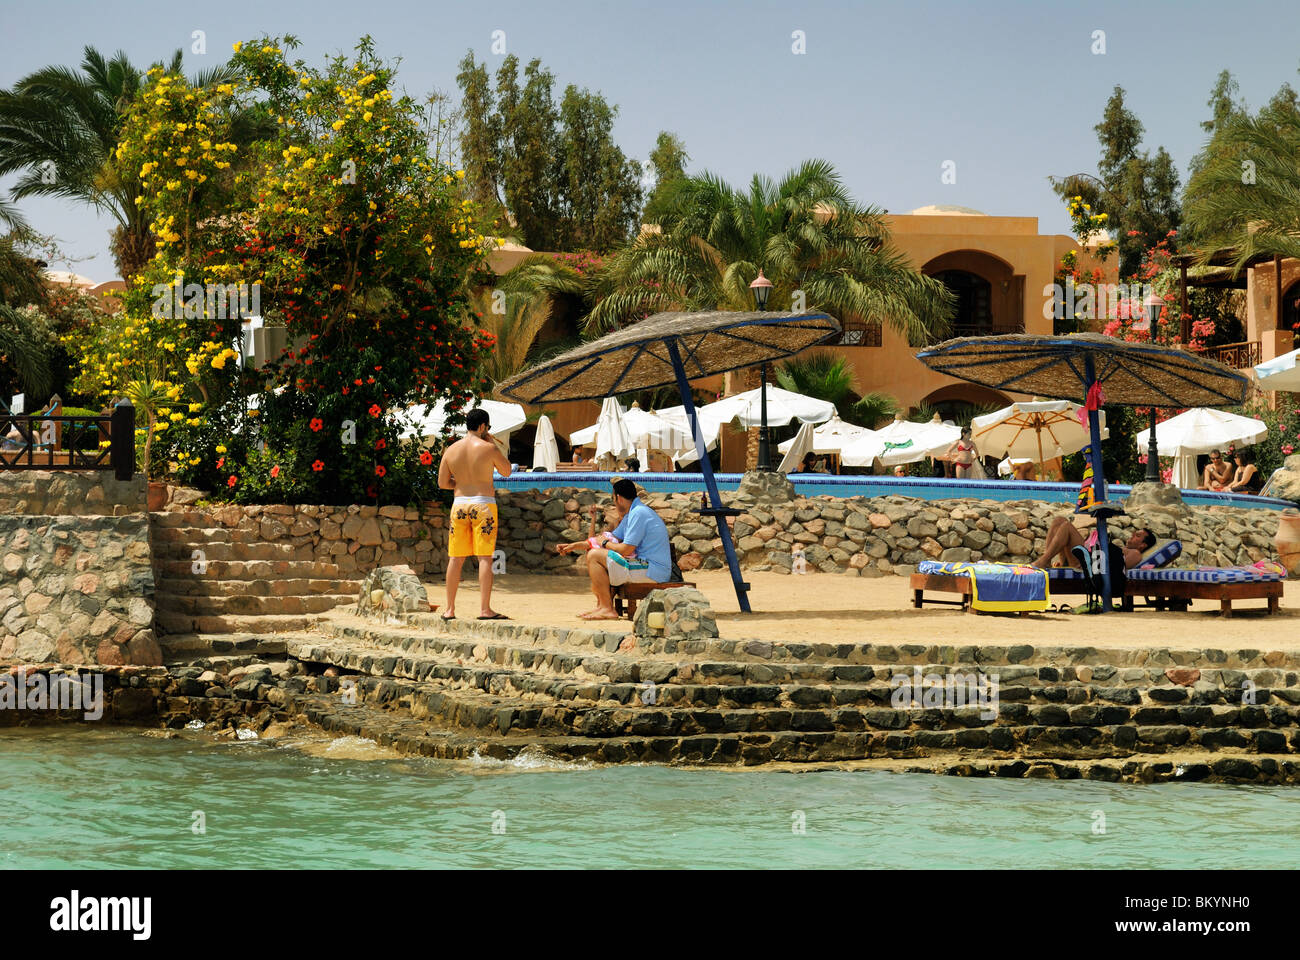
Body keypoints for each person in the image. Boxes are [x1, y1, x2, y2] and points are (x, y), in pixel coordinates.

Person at [437, 408, 512, 620]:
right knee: (485, 559)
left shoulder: (451, 450)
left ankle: (449, 609)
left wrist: (462, 484)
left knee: (455, 558)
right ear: (482, 426)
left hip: (459, 505)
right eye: (487, 427)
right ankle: (485, 609)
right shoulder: (488, 448)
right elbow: (506, 471)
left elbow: (443, 483)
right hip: (483, 505)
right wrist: (492, 442)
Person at [576, 478, 671, 621]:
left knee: (595, 556)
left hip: (653, 570)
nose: (614, 504)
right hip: (646, 567)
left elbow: (625, 549)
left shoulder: (638, 513)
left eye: (613, 500)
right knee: (594, 554)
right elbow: (609, 539)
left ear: (618, 498)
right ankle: (603, 606)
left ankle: (607, 609)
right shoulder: (633, 513)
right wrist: (573, 546)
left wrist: (605, 543)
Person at [1033, 518, 1155, 570]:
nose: (1132, 535)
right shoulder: (1127, 549)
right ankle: (1047, 561)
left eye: (1137, 536)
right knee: (1059, 520)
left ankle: (1043, 561)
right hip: (1087, 557)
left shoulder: (1136, 554)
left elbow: (1118, 567)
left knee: (1067, 526)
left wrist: (1094, 565)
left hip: (1088, 563)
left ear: (1142, 545)